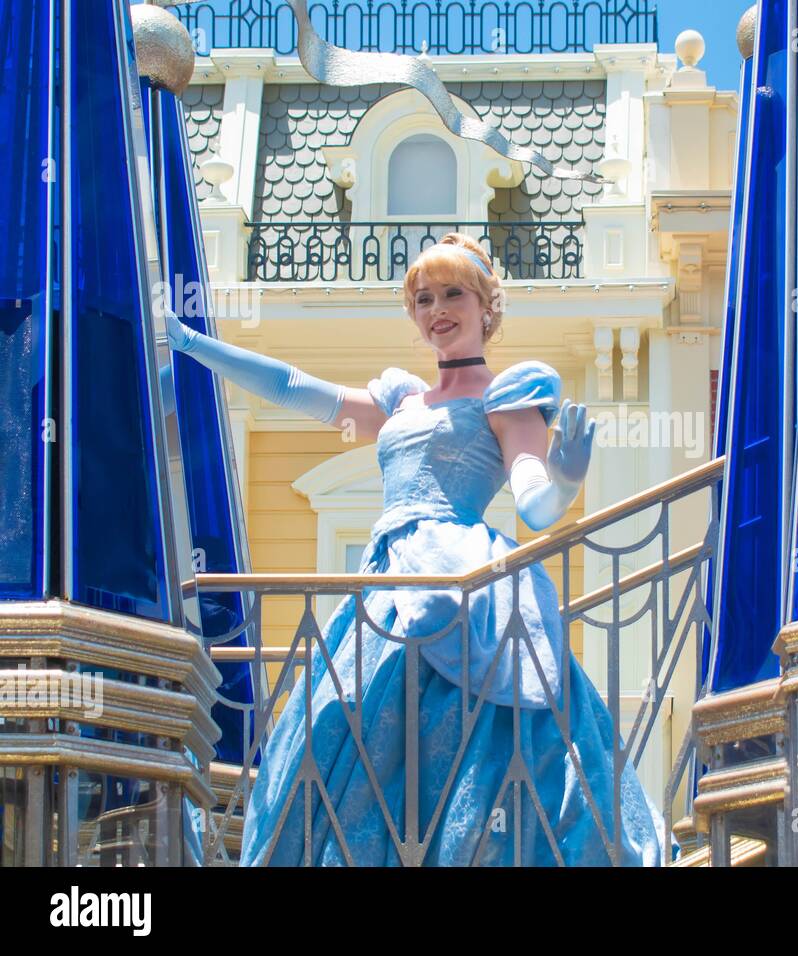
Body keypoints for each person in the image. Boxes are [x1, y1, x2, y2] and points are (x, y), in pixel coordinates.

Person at [164, 233, 662, 866]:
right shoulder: (401, 400)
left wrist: (563, 478)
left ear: (488, 307)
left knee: (464, 736)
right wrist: (191, 344)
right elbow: (295, 387)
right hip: (385, 580)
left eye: (453, 293)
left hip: (464, 579)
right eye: (423, 298)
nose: (437, 309)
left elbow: (535, 504)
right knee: (337, 723)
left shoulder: (506, 398)